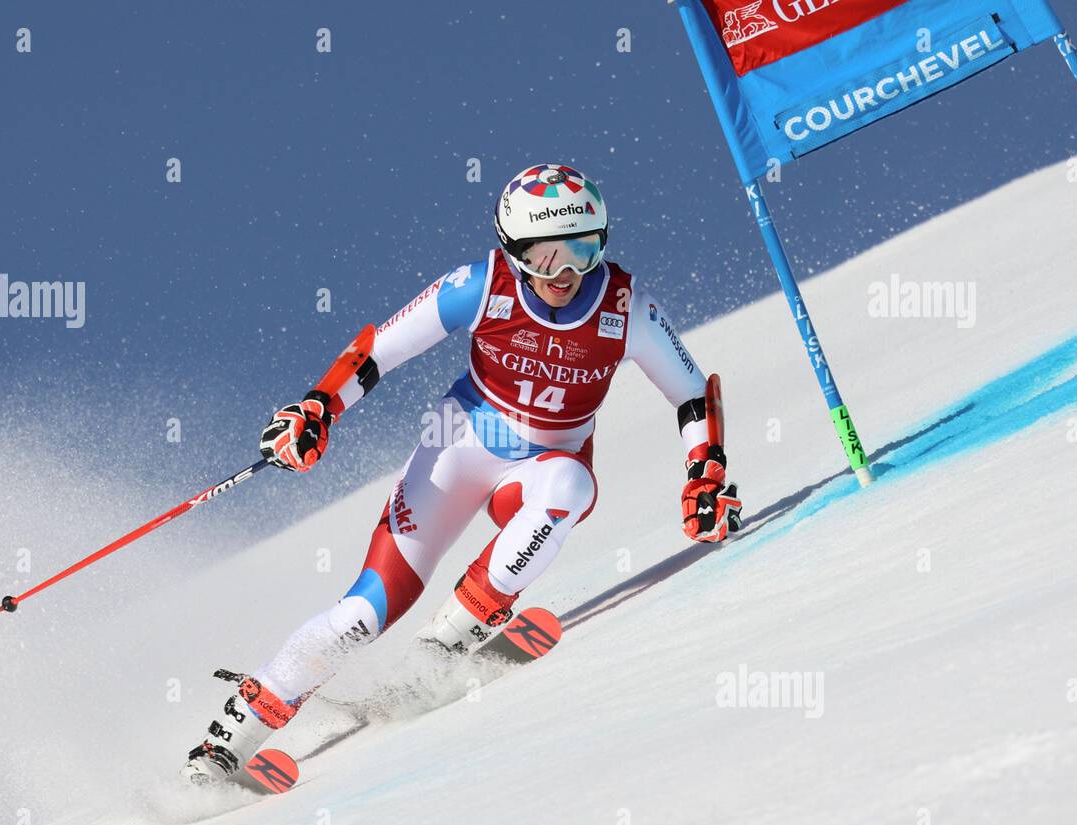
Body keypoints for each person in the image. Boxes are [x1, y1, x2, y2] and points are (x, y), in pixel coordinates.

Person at [182, 163, 741, 783]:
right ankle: (233, 737)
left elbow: (692, 392)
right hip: (461, 446)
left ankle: (447, 641)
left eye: (584, 250)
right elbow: (379, 350)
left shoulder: (625, 307)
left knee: (570, 488)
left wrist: (706, 476)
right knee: (364, 614)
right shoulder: (480, 287)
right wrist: (319, 407)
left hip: (542, 468)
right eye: (548, 254)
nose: (566, 274)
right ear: (514, 250)